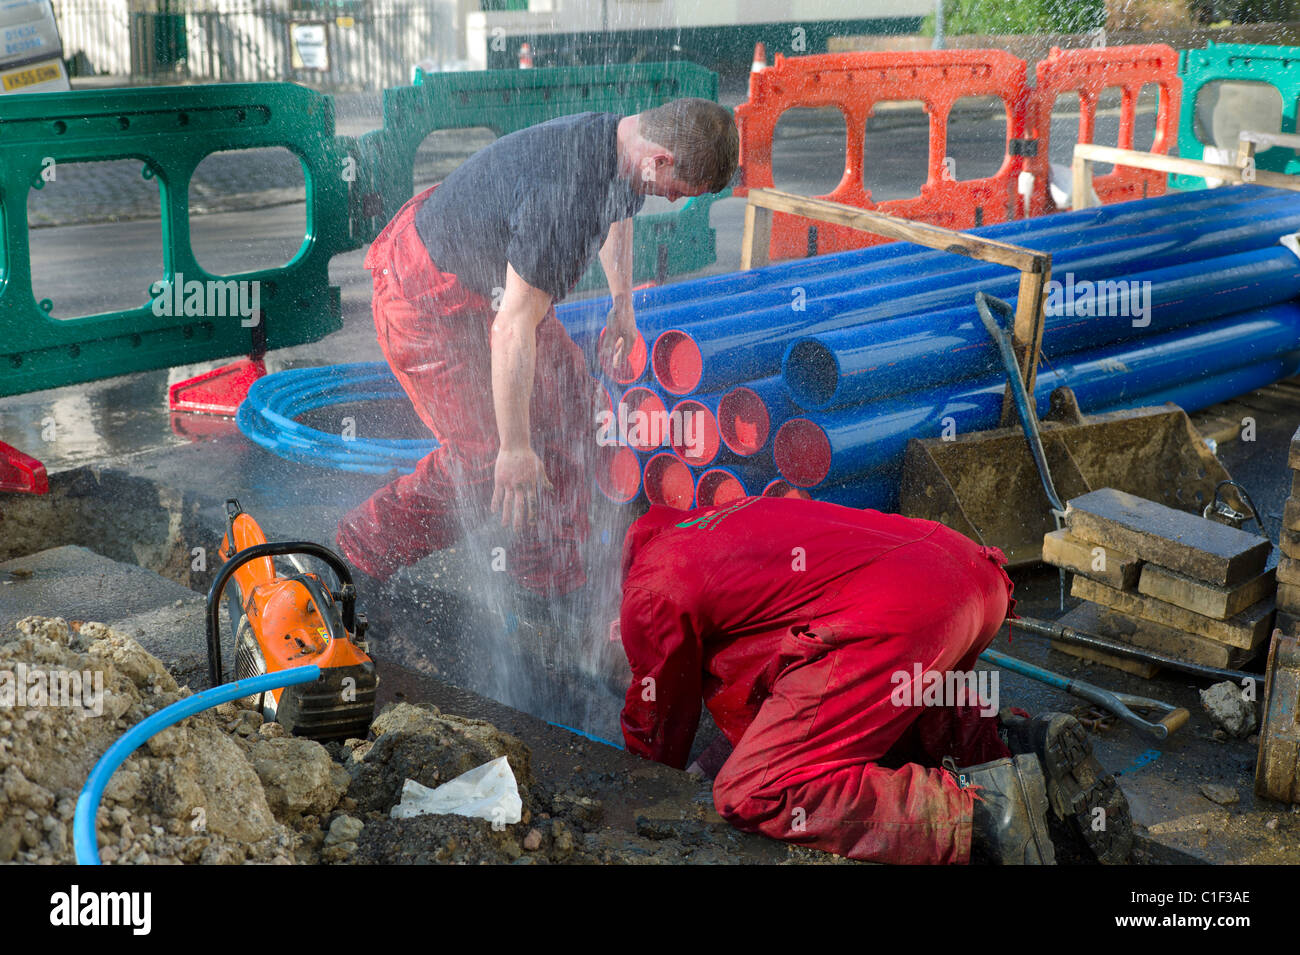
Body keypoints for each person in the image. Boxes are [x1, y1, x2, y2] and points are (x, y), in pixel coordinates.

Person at [336, 99, 739, 598]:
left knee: (575, 410)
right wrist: (515, 447)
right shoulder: (566, 199)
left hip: (496, 281)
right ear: (658, 159)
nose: (675, 201)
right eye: (679, 191)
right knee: (487, 466)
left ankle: (548, 577)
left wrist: (622, 302)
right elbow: (512, 330)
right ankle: (354, 559)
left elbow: (619, 215)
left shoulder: (621, 145)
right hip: (426, 293)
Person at [616, 496, 1132, 865]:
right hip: (968, 577)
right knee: (886, 725)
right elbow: (780, 671)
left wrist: (643, 778)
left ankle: (988, 816)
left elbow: (659, 711)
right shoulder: (718, 521)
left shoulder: (652, 582)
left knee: (756, 789)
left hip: (900, 616)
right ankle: (1014, 750)